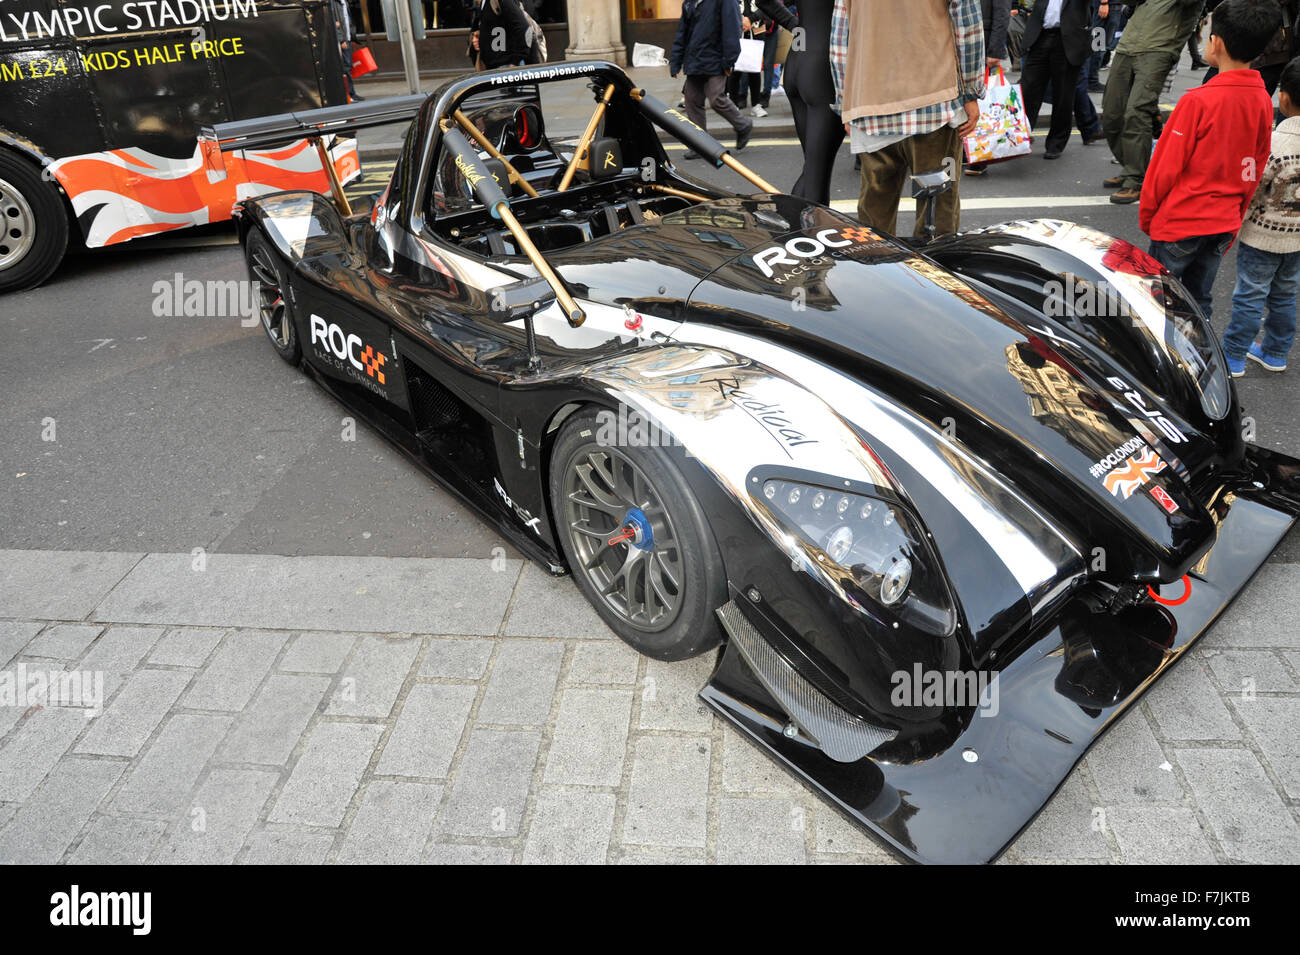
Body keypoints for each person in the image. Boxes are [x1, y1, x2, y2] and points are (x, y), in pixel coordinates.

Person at [1139, 0, 1281, 324]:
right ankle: (1198, 362)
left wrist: (1149, 216)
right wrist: (1236, 215)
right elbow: (1254, 167)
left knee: (1156, 302)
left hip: (1179, 222)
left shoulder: (1196, 101)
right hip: (1223, 222)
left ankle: (1161, 366)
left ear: (1216, 42)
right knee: (1198, 300)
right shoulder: (1261, 98)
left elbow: (1164, 168)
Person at [832, 0, 985, 237]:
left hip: (870, 102)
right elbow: (967, 25)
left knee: (875, 213)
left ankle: (878, 269)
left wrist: (846, 103)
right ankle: (933, 270)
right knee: (936, 211)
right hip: (933, 100)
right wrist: (971, 90)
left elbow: (840, 38)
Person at [1221, 55, 1300, 376]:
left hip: (1261, 237)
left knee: (1251, 295)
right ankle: (1276, 352)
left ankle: (1235, 354)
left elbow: (1248, 185)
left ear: (1282, 97)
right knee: (1285, 295)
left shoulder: (1271, 142)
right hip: (1296, 241)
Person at [1101, 0, 1205, 204]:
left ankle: (1135, 179)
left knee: (1137, 112)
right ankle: (1131, 166)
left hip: (1159, 48)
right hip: (1128, 45)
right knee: (1111, 113)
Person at [757, 0, 842, 203]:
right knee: (816, 176)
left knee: (812, 168)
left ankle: (794, 225)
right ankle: (806, 229)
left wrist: (795, 25)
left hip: (798, 56)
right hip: (822, 66)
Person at [1020, 0, 1103, 159]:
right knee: (1028, 91)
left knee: (1063, 95)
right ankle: (1021, 136)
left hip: (1068, 40)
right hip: (1040, 36)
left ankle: (1056, 143)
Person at [671, 0, 754, 156]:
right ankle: (700, 144)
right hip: (694, 60)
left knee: (716, 99)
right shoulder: (689, 2)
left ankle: (743, 125)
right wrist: (675, 62)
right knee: (692, 101)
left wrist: (729, 61)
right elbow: (682, 33)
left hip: (716, 59)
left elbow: (732, 30)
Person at [966, 0, 1013, 176]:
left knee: (981, 102)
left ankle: (979, 158)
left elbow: (1002, 15)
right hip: (961, 44)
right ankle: (968, 152)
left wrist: (995, 50)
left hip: (983, 45)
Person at [468, 0, 531, 69]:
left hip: (507, 66)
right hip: (493, 66)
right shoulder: (483, 5)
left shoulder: (501, 2)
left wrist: (516, 60)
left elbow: (523, 27)